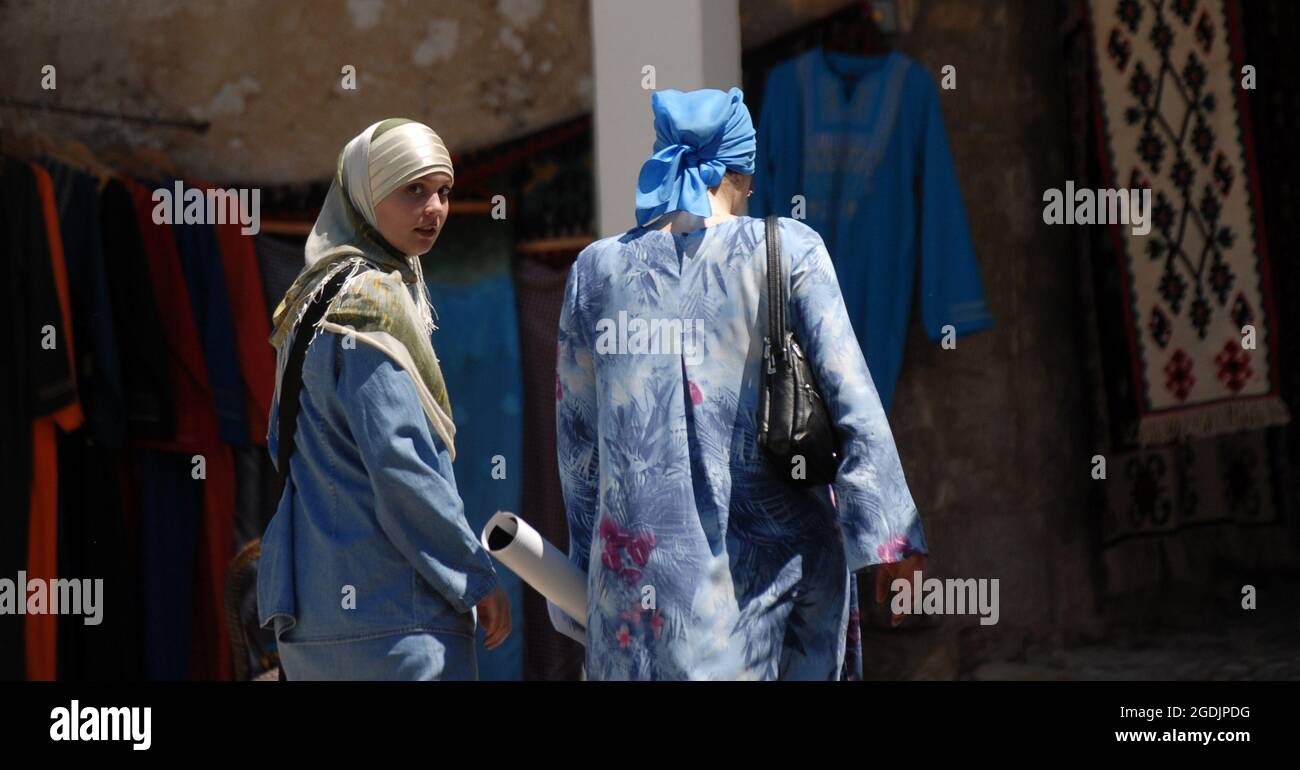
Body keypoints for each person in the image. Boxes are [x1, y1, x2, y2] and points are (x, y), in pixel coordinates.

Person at [550, 88, 926, 680]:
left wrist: (583, 574)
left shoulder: (595, 270)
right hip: (771, 588)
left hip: (639, 595)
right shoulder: (789, 249)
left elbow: (579, 451)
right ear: (743, 172)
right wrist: (890, 542)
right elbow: (852, 399)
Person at [257, 118, 510, 680]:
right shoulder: (371, 301)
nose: (435, 209)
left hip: (313, 618)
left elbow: (281, 443)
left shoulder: (309, 298)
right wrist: (473, 575)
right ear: (368, 195)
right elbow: (401, 464)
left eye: (444, 191)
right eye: (413, 189)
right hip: (393, 618)